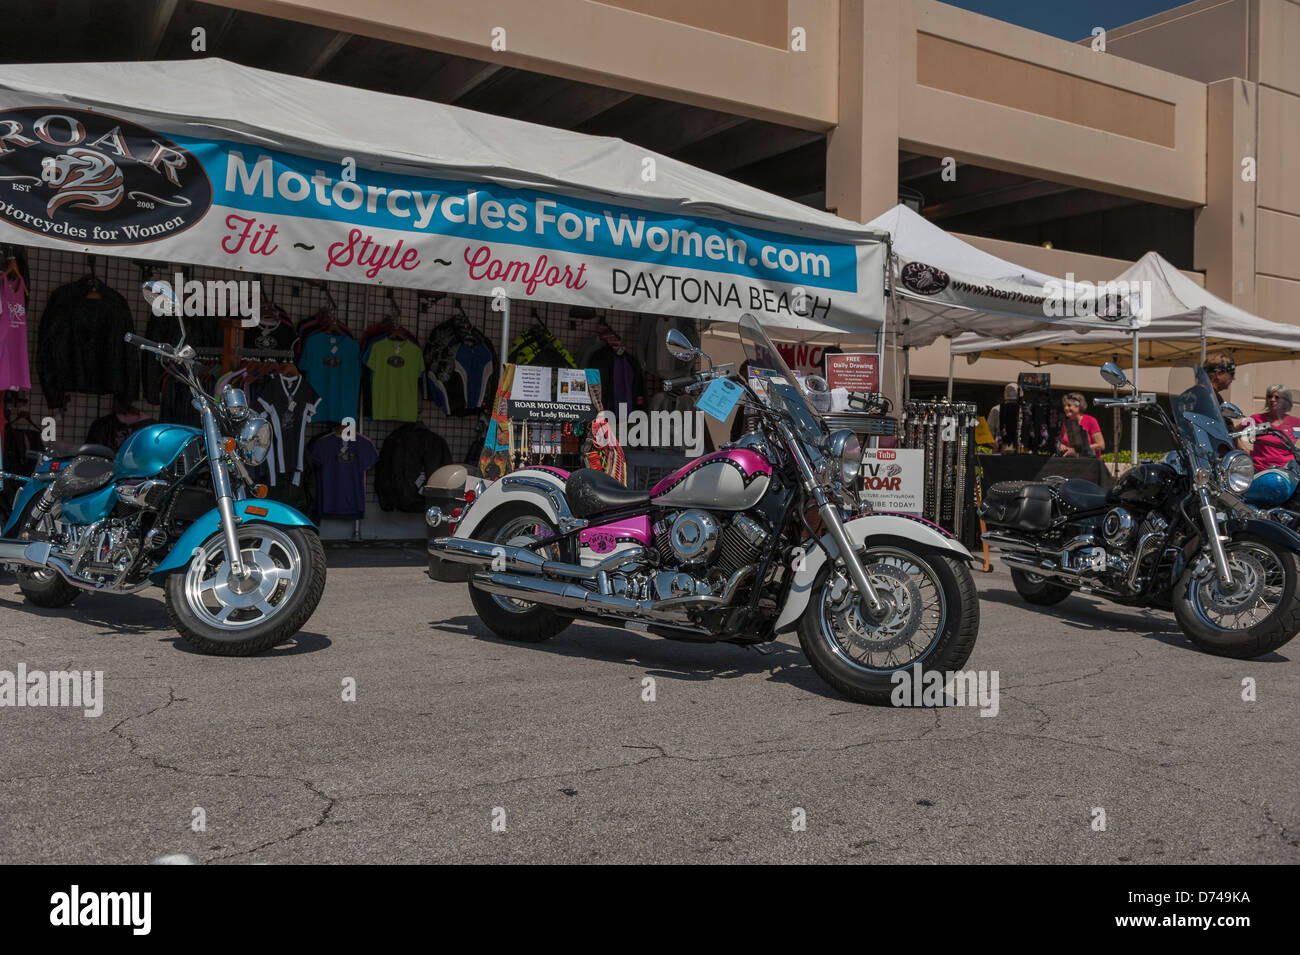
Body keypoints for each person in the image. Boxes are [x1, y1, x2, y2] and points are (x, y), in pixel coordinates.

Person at [1239, 385, 1300, 471]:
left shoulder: (1295, 422)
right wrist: (1244, 450)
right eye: (1269, 396)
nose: (1272, 399)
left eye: (1277, 397)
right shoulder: (1255, 419)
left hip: (1286, 472)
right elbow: (1234, 431)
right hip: (1258, 470)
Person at [1057, 392, 1104, 457]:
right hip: (1071, 463)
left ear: (1078, 406)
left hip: (1089, 463)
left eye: (1069, 405)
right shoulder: (1065, 423)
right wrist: (1062, 446)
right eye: (1064, 406)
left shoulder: (1090, 420)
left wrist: (1076, 450)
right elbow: (1062, 443)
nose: (1066, 408)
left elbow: (1101, 445)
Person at [988, 382, 1019, 453]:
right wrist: (995, 445)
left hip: (1017, 450)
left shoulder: (1022, 410)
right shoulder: (996, 410)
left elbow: (989, 434)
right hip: (1002, 450)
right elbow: (989, 434)